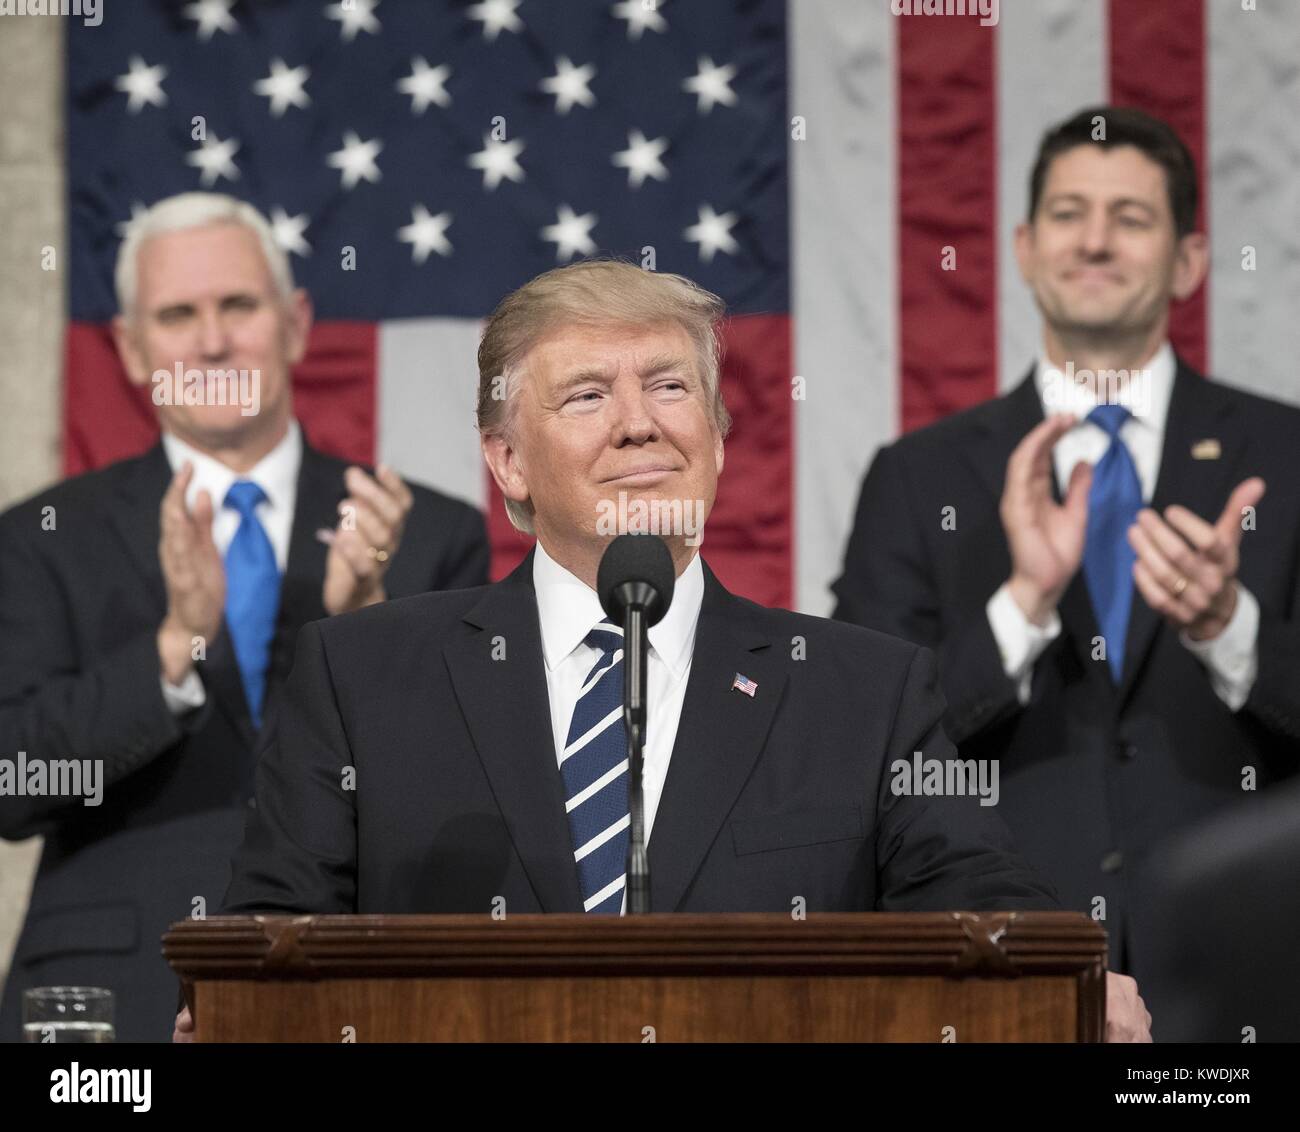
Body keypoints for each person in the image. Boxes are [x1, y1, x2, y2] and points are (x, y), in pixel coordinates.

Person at [175, 259, 1149, 1042]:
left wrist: (1065, 978)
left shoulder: (863, 689)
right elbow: (268, 940)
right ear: (508, 459)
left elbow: (979, 894)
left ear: (718, 440)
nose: (639, 420)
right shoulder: (362, 675)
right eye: (588, 394)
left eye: (671, 386)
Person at [831, 107, 1300, 1032]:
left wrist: (1228, 629)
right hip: (1007, 970)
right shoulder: (919, 475)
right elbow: (861, 750)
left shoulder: (1287, 454)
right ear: (1023, 247)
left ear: (1190, 261)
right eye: (1068, 214)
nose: (1094, 240)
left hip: (1252, 967)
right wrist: (1021, 606)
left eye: (1130, 217)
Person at [0, 193, 489, 1042]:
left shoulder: (426, 534)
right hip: (109, 1002)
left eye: (238, 305)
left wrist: (367, 630)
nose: (212, 340)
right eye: (178, 314)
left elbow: (463, 797)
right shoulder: (45, 538)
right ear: (130, 346)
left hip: (358, 989)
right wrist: (169, 650)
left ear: (295, 324)